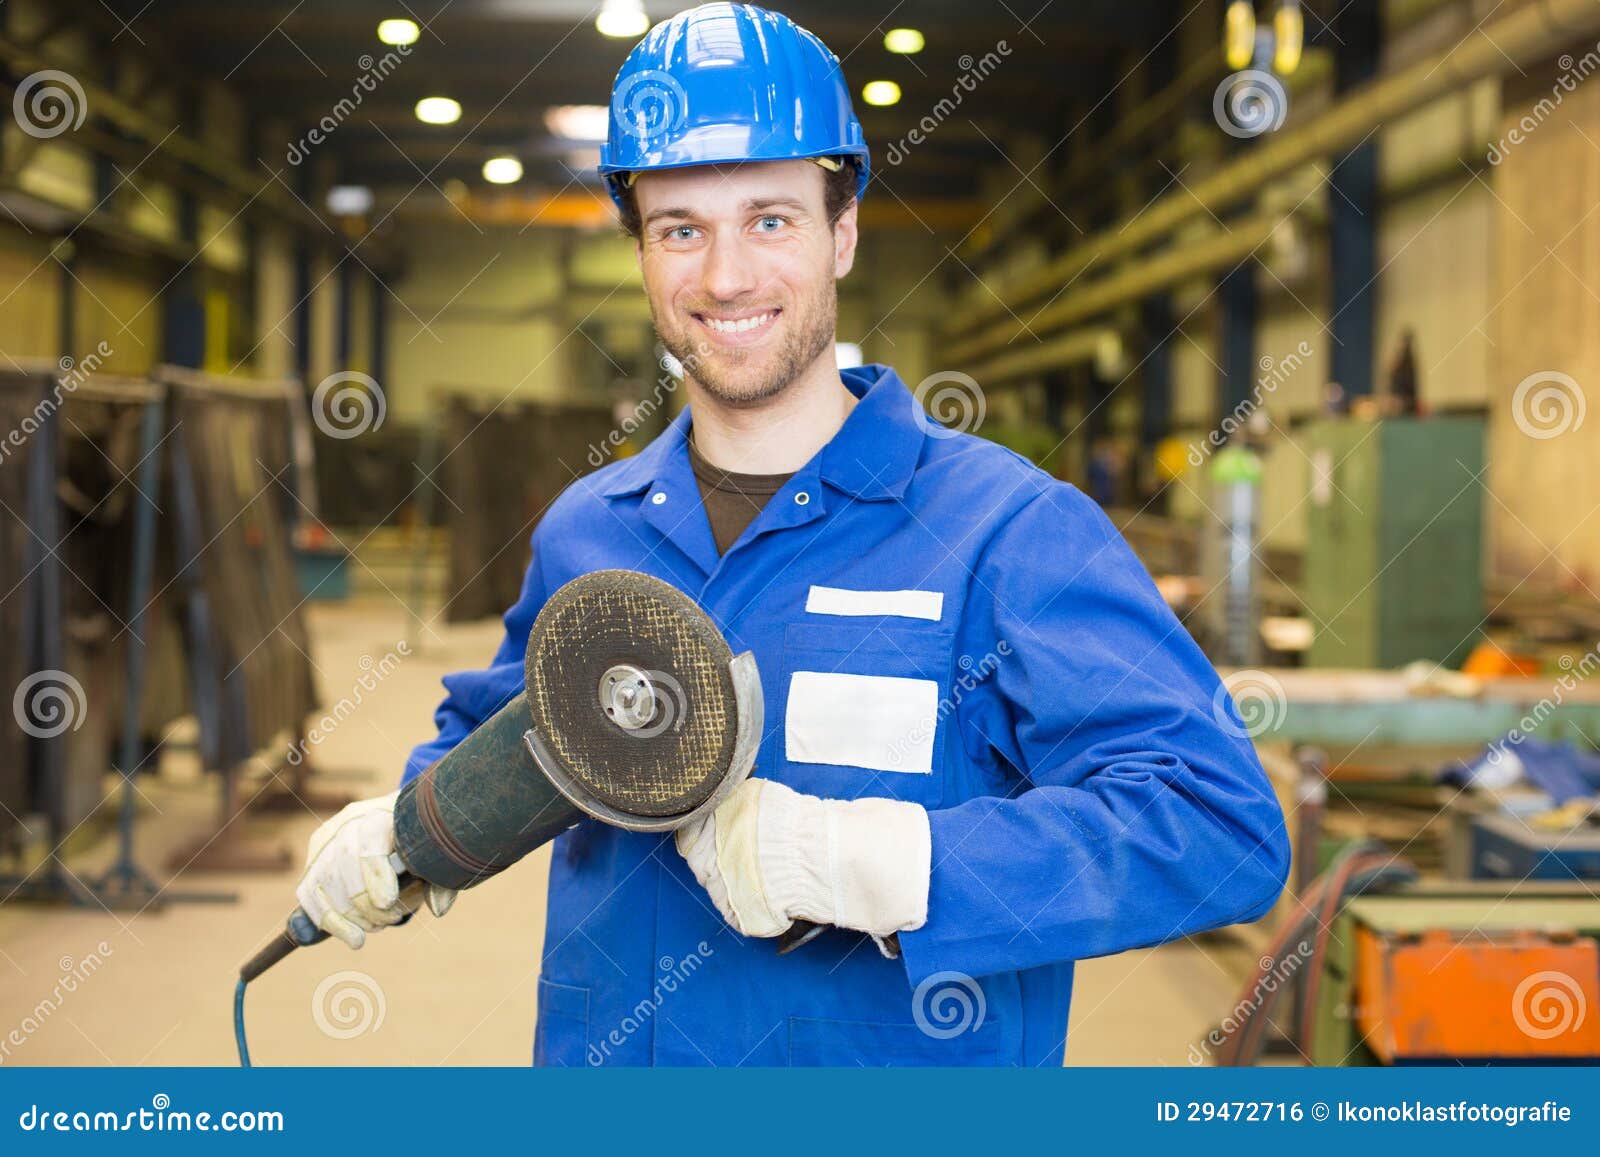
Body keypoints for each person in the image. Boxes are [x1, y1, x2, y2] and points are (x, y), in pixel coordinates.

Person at [295, 3, 1289, 1067]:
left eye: (769, 219)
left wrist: (887, 861)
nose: (724, 276)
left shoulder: (1007, 531)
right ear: (639, 251)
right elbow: (516, 736)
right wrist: (402, 832)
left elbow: (1216, 827)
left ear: (842, 232)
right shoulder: (591, 529)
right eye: (681, 228)